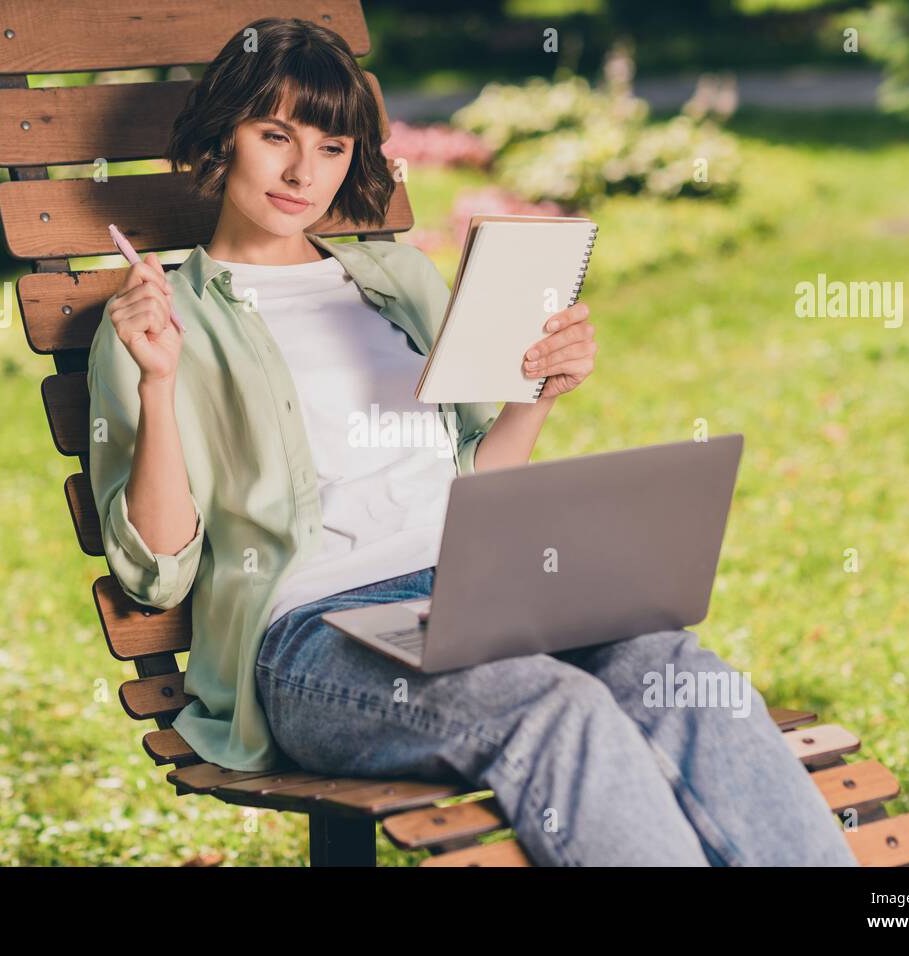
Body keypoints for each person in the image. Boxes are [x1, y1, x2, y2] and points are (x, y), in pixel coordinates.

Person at [87, 16, 858, 866]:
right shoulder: (164, 317)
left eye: (334, 147)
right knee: (554, 707)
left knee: (671, 666)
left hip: (482, 593)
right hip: (315, 634)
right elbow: (153, 570)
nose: (304, 171)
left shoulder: (398, 279)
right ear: (224, 133)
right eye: (276, 136)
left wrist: (539, 394)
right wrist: (158, 382)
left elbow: (473, 480)